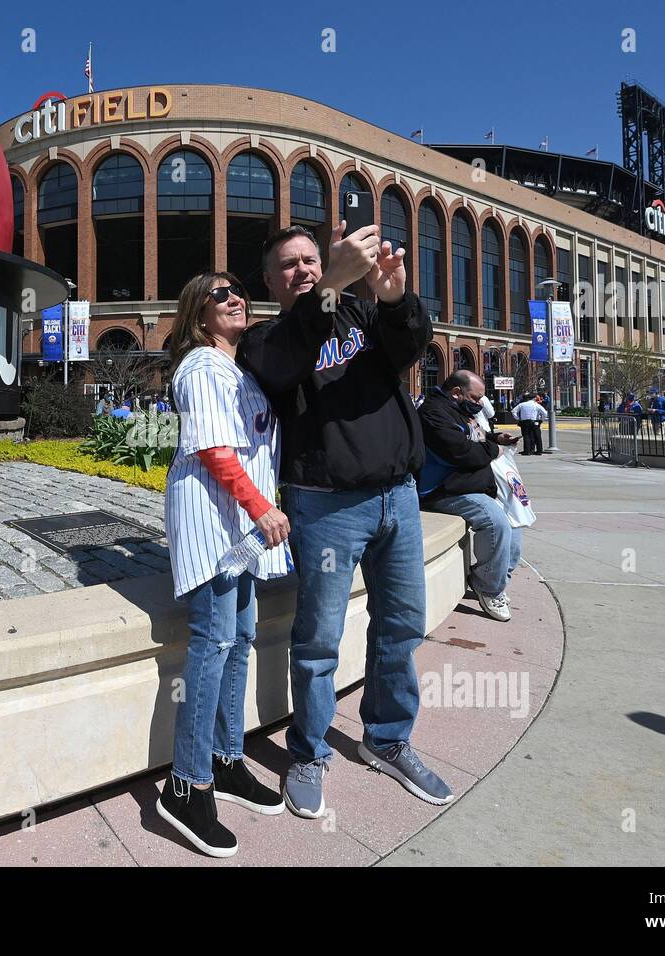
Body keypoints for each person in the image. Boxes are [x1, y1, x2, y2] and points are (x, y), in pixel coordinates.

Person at [238, 220, 454, 815]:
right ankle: (307, 752)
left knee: (401, 628)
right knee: (319, 642)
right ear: (270, 280)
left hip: (399, 497)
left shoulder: (361, 317)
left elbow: (410, 350)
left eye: (312, 258)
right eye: (291, 265)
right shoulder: (264, 339)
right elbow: (283, 367)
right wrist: (330, 283)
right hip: (326, 505)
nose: (304, 269)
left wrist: (396, 299)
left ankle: (387, 739)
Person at [157, 271, 292, 858]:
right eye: (219, 293)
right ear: (197, 314)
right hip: (216, 522)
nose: (234, 296)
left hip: (240, 526)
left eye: (238, 289)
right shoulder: (202, 367)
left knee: (238, 639)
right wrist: (262, 507)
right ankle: (186, 784)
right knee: (212, 644)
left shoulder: (236, 370)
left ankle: (227, 759)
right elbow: (213, 448)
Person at [418, 371, 522, 622]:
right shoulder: (433, 413)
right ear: (456, 393)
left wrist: (495, 438)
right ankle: (489, 588)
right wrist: (494, 449)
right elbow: (462, 452)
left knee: (514, 524)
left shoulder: (461, 410)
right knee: (496, 523)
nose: (480, 404)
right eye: (476, 398)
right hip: (444, 490)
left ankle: (488, 577)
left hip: (471, 486)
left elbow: (475, 438)